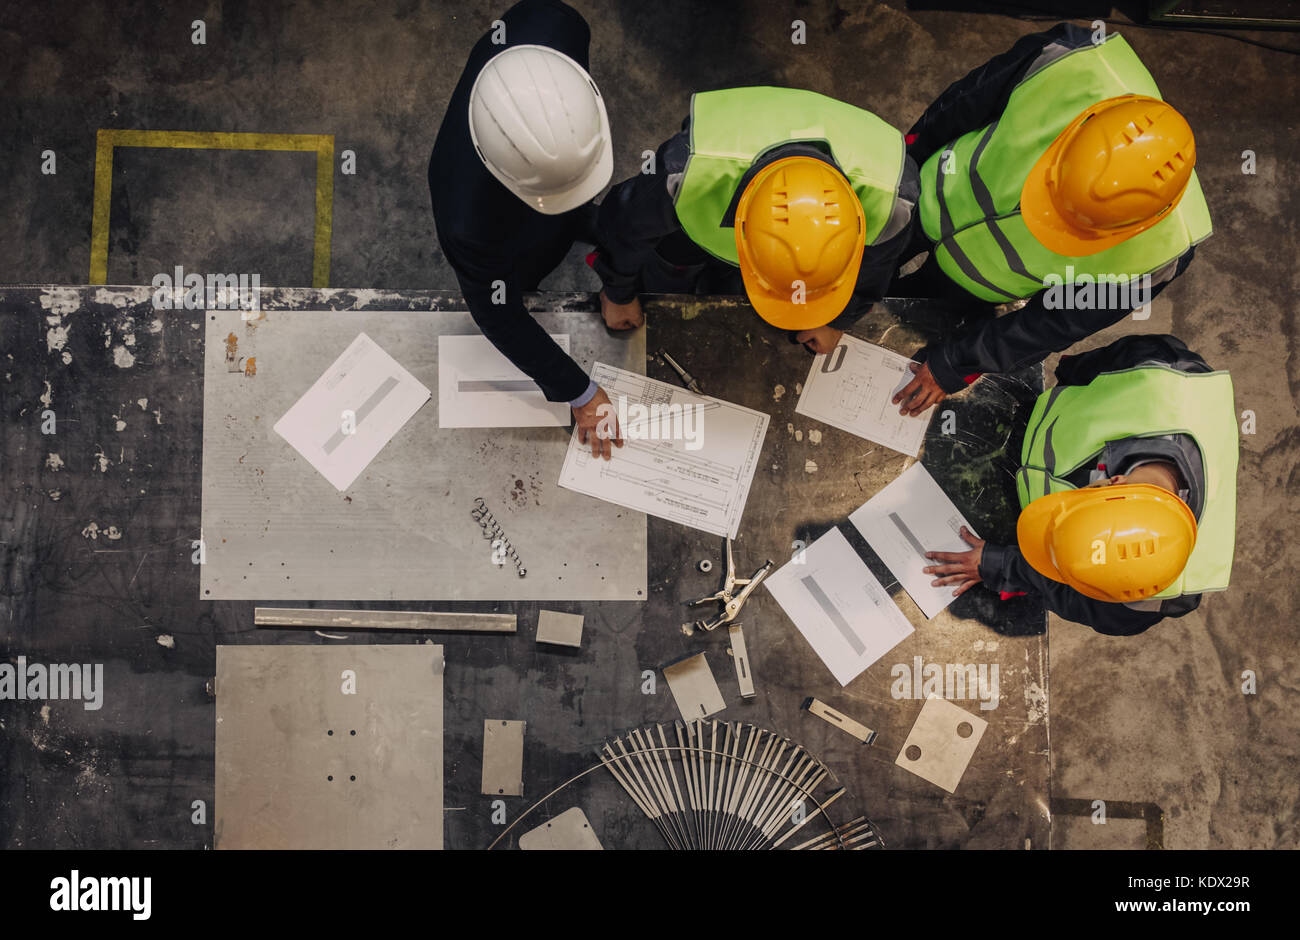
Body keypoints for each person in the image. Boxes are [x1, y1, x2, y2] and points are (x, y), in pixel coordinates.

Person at [891, 22, 1211, 417]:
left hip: (980, 281)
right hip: (931, 190)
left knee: (915, 310)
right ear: (1076, 131)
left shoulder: (1162, 254)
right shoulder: (1071, 61)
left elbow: (1054, 322)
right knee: (877, 252)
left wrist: (954, 363)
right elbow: (962, 104)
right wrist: (902, 173)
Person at [922, 334, 1238, 636]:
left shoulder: (1147, 596)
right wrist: (1069, 374)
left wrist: (1002, 565)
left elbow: (1076, 594)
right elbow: (1094, 365)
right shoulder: (1162, 373)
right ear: (1114, 480)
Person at [428, 0, 627, 459]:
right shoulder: (468, 220)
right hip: (504, 229)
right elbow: (499, 314)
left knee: (572, 219)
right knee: (521, 279)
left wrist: (621, 276)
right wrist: (580, 392)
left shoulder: (557, 26)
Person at [592, 86, 919, 354]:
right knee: (666, 280)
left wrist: (836, 319)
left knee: (736, 293)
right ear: (739, 225)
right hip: (693, 223)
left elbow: (875, 269)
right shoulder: (687, 174)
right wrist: (618, 292)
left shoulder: (893, 198)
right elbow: (624, 225)